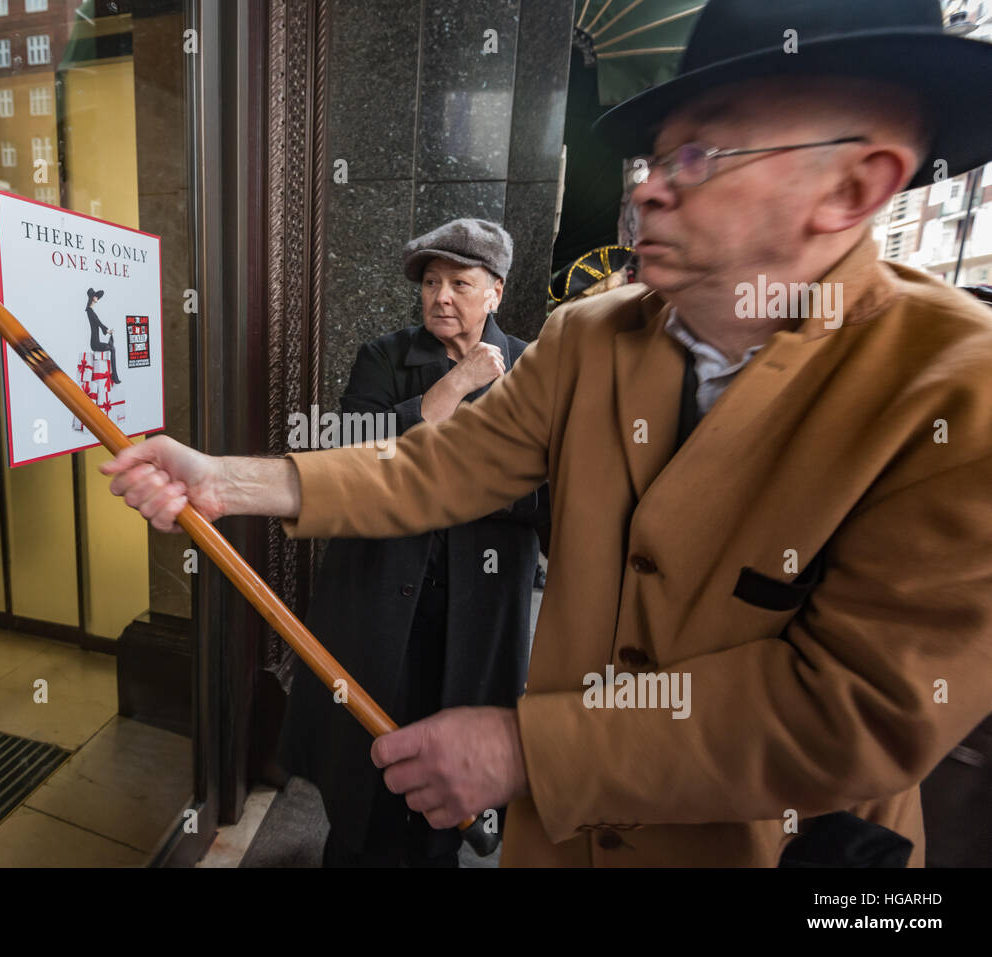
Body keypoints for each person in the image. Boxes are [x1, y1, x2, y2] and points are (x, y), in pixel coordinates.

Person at [101, 0, 992, 866]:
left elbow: (859, 707)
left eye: (700, 152)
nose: (648, 186)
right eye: (654, 154)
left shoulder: (954, 389)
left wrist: (531, 749)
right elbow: (432, 467)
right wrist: (224, 480)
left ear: (851, 185)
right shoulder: (589, 337)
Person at [277, 219, 549, 868]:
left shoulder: (534, 367)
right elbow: (345, 456)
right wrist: (448, 392)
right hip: (380, 600)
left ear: (497, 292)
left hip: (475, 612)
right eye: (431, 282)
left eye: (460, 282)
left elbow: (548, 487)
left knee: (445, 766)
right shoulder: (385, 358)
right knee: (363, 763)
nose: (441, 296)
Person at [85, 287, 121, 385]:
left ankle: (114, 375)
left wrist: (106, 330)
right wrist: (107, 330)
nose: (97, 298)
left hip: (96, 341)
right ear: (92, 297)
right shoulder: (89, 311)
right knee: (112, 349)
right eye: (96, 296)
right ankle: (114, 375)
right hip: (95, 343)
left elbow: (98, 323)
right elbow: (98, 322)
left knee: (112, 348)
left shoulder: (91, 310)